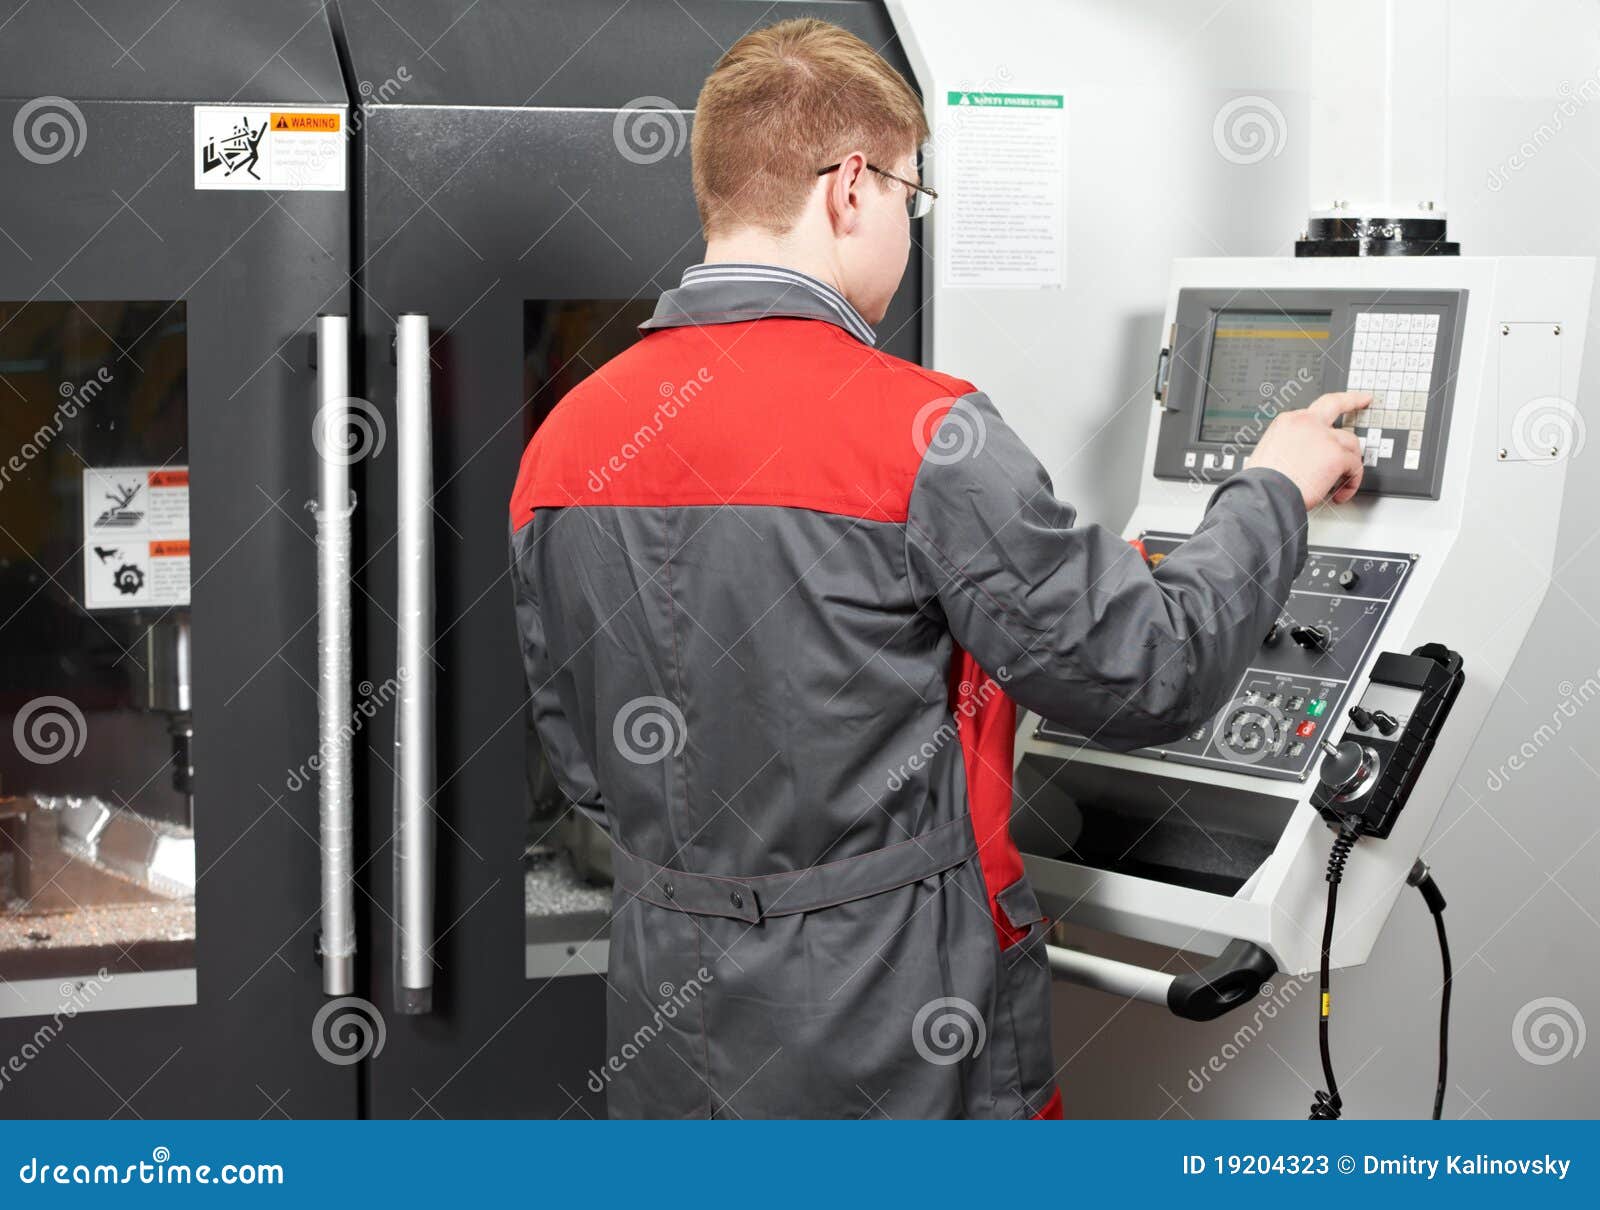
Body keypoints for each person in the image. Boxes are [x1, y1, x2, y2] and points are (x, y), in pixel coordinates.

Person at [509, 17, 1366, 1119]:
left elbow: (582, 760)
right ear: (850, 189)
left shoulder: (569, 439)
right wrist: (1273, 489)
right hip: (890, 1018)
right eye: (912, 202)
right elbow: (1149, 670)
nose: (907, 235)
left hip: (668, 1008)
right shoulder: (918, 431)